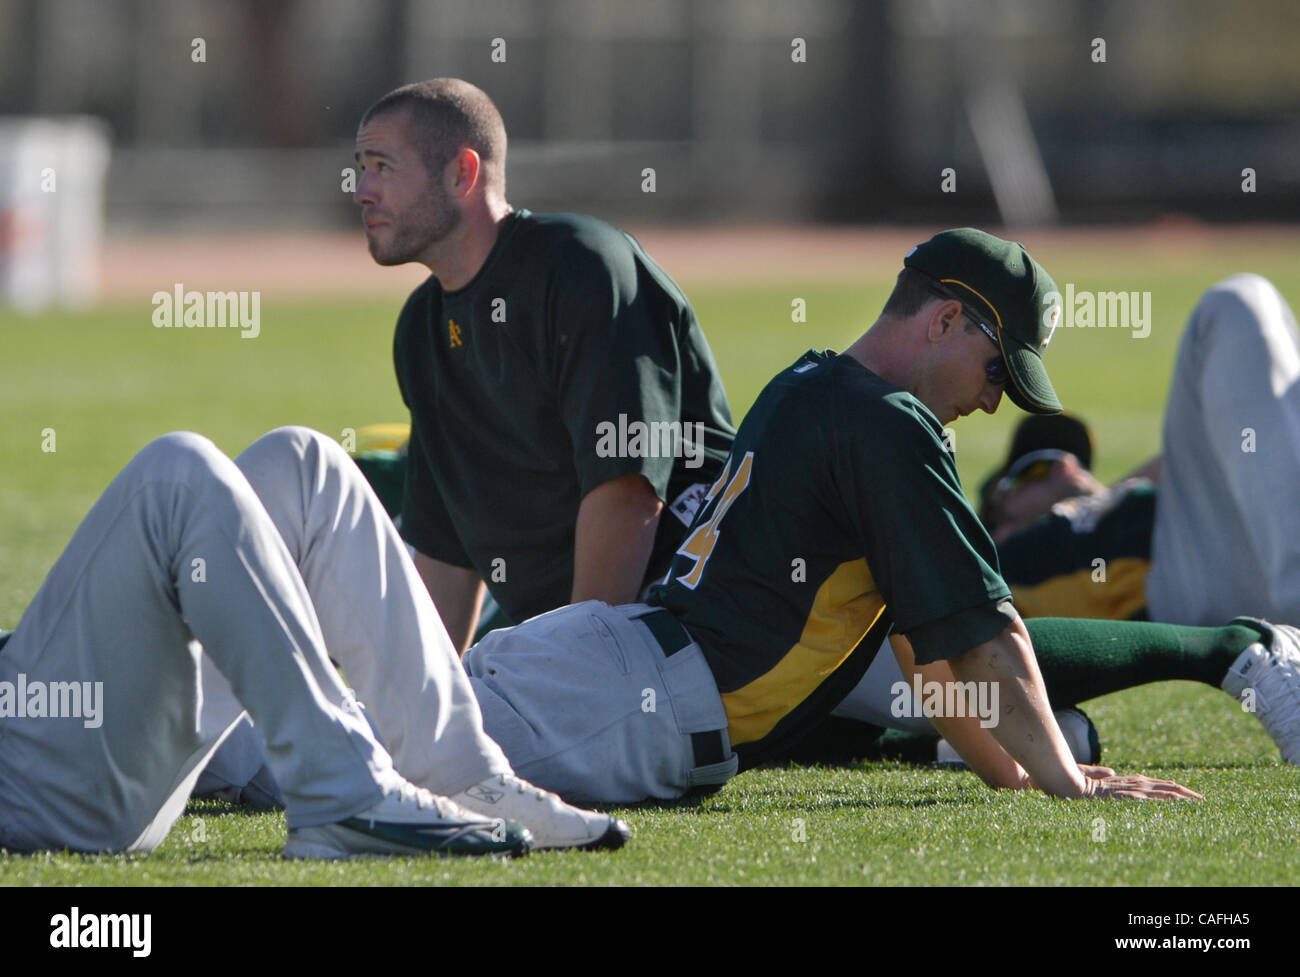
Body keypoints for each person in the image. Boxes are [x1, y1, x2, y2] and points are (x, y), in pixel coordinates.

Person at [458, 229, 1294, 803]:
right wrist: (1068, 783)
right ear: (942, 320)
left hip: (608, 671)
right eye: (998, 368)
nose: (996, 400)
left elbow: (919, 640)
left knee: (386, 756)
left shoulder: (814, 385)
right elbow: (986, 636)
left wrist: (1015, 774)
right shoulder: (888, 421)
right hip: (618, 697)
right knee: (377, 783)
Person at [0, 427, 629, 857]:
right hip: (30, 776)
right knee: (176, 475)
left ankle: (461, 773)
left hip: (41, 717)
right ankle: (340, 791)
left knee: (303, 465)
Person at [353, 78, 735, 650]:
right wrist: (430, 699)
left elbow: (628, 492)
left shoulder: (581, 265)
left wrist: (575, 670)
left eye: (382, 166)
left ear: (462, 172)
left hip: (708, 609)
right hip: (581, 630)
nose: (361, 190)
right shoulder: (421, 327)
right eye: (360, 167)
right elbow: (448, 553)